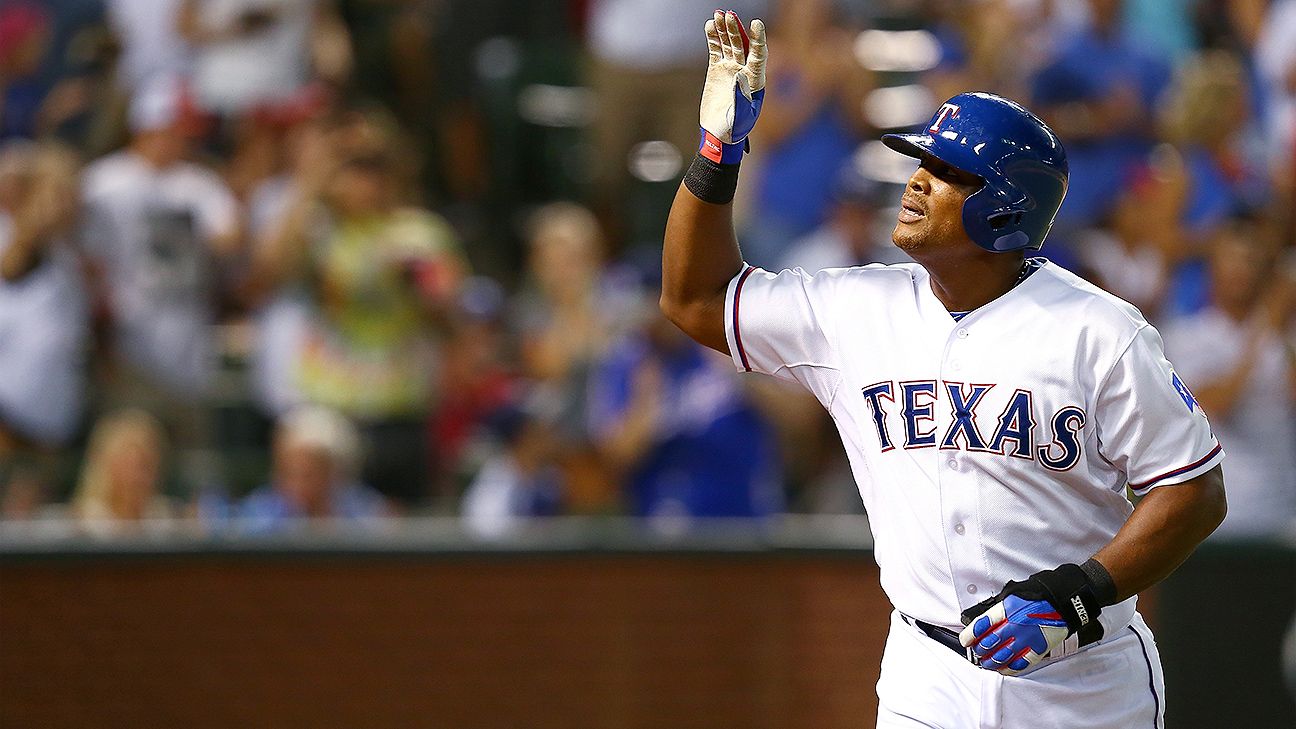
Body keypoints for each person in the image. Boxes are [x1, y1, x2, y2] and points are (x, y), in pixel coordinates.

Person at [660, 12, 1227, 727]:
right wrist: (718, 149)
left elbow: (1194, 489)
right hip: (925, 675)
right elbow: (694, 297)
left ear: (1005, 208)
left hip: (1080, 682)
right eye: (921, 163)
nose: (917, 182)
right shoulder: (856, 307)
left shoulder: (1098, 331)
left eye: (947, 172)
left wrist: (1081, 591)